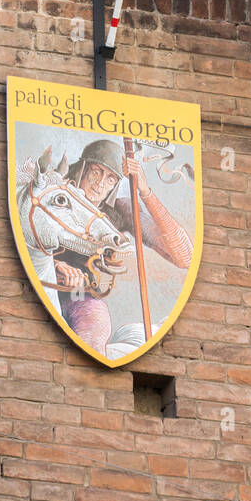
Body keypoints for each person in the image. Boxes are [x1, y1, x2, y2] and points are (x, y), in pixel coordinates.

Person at [55, 138, 193, 354]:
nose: (100, 184)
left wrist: (145, 192)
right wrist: (55, 266)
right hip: (39, 285)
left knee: (95, 326)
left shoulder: (119, 211)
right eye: (96, 171)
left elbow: (185, 256)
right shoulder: (54, 193)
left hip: (80, 297)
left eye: (110, 179)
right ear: (82, 169)